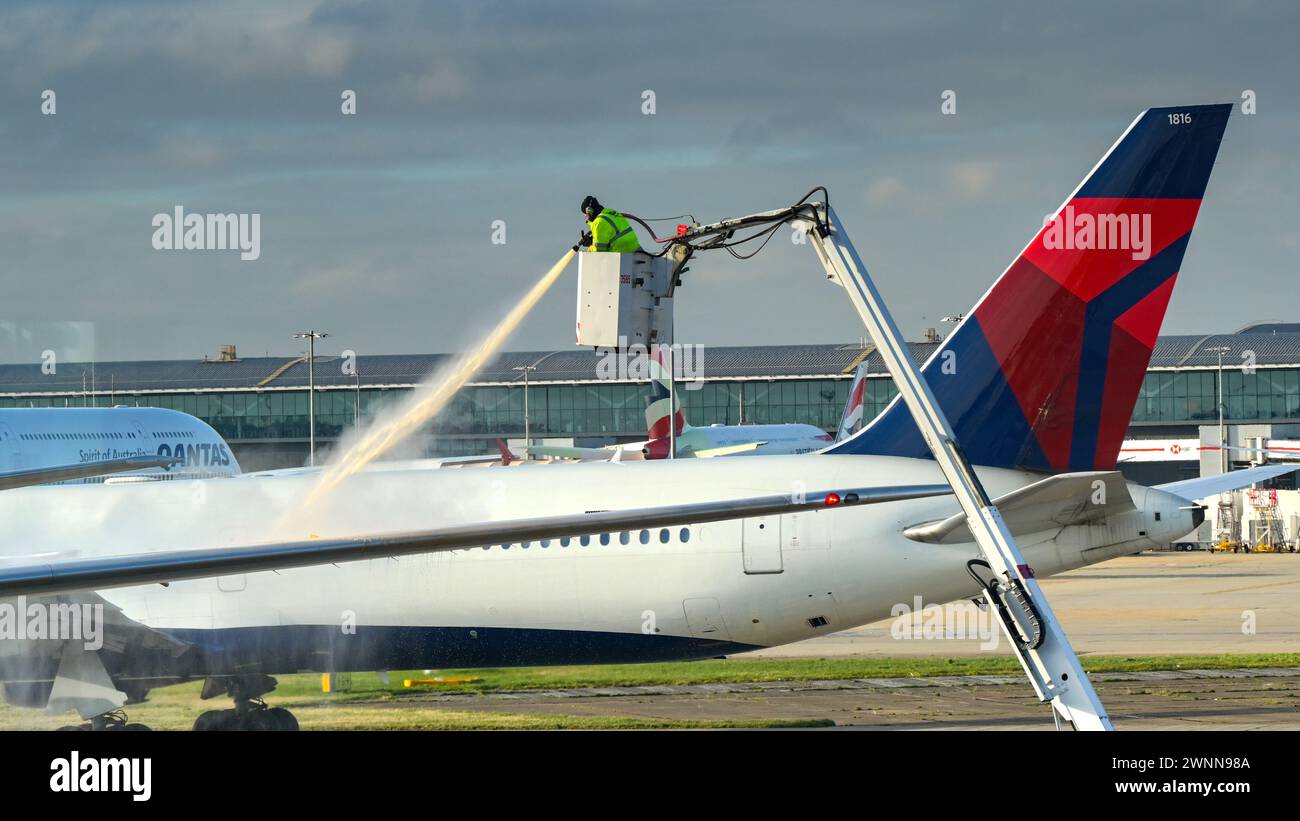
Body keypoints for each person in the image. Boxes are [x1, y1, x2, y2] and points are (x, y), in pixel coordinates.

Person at [576, 195, 641, 253]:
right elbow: (613, 234)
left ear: (590, 211)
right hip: (635, 252)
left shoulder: (599, 223)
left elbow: (599, 251)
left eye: (585, 214)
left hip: (621, 255)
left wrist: (590, 247)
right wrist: (593, 240)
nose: (585, 217)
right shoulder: (610, 212)